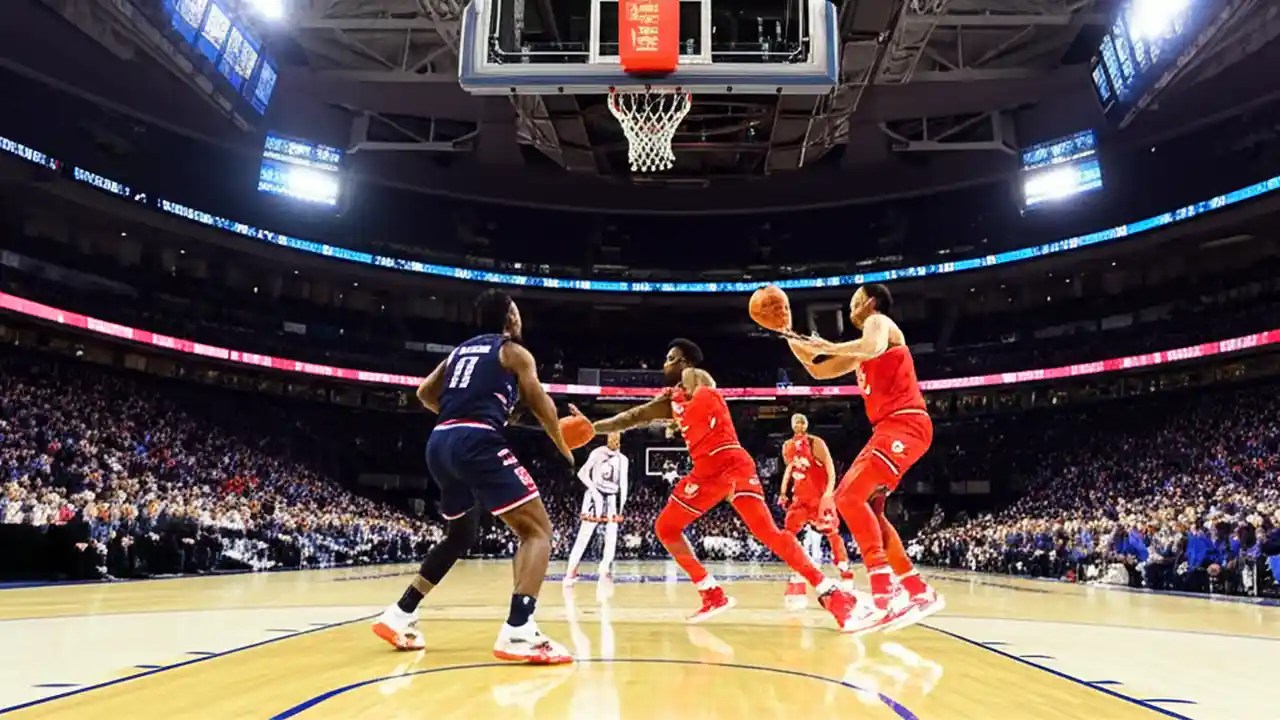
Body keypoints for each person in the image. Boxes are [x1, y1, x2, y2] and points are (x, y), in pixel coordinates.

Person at [571, 338, 856, 627]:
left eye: (671, 358)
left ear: (684, 361)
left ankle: (828, 591)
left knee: (762, 532)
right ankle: (713, 592)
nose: (664, 364)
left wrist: (683, 378)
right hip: (714, 468)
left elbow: (689, 380)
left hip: (725, 459)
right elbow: (631, 417)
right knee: (673, 528)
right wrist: (590, 428)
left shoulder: (696, 377)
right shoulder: (671, 401)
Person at [372, 289, 574, 664]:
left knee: (462, 534)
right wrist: (562, 442)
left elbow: (423, 393)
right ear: (511, 318)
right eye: (517, 312)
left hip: (439, 442)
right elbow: (541, 403)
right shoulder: (513, 351)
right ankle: (518, 630)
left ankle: (400, 613)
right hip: (474, 440)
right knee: (538, 531)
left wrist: (458, 413)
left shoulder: (458, 353)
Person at [787, 284, 944, 634]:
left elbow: (870, 346)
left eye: (856, 298)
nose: (851, 304)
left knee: (846, 497)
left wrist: (826, 345)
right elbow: (819, 371)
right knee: (869, 510)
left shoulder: (880, 322)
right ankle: (918, 590)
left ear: (869, 302)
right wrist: (788, 334)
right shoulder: (861, 351)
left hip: (905, 423)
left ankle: (884, 595)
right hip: (888, 429)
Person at [778, 413, 856, 609]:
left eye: (802, 420)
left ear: (807, 424)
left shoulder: (816, 443)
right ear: (791, 424)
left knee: (832, 534)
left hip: (818, 498)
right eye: (795, 420)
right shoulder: (787, 446)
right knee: (787, 536)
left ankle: (846, 575)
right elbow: (790, 470)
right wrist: (783, 492)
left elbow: (830, 469)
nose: (799, 424)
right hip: (799, 499)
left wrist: (828, 494)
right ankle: (796, 578)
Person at [563, 432, 630, 585]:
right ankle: (570, 571)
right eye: (612, 437)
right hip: (595, 496)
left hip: (612, 497)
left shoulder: (623, 460)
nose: (615, 440)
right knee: (584, 535)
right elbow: (582, 473)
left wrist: (621, 507)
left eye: (617, 437)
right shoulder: (597, 453)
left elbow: (623, 484)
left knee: (611, 537)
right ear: (607, 438)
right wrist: (593, 490)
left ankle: (605, 568)